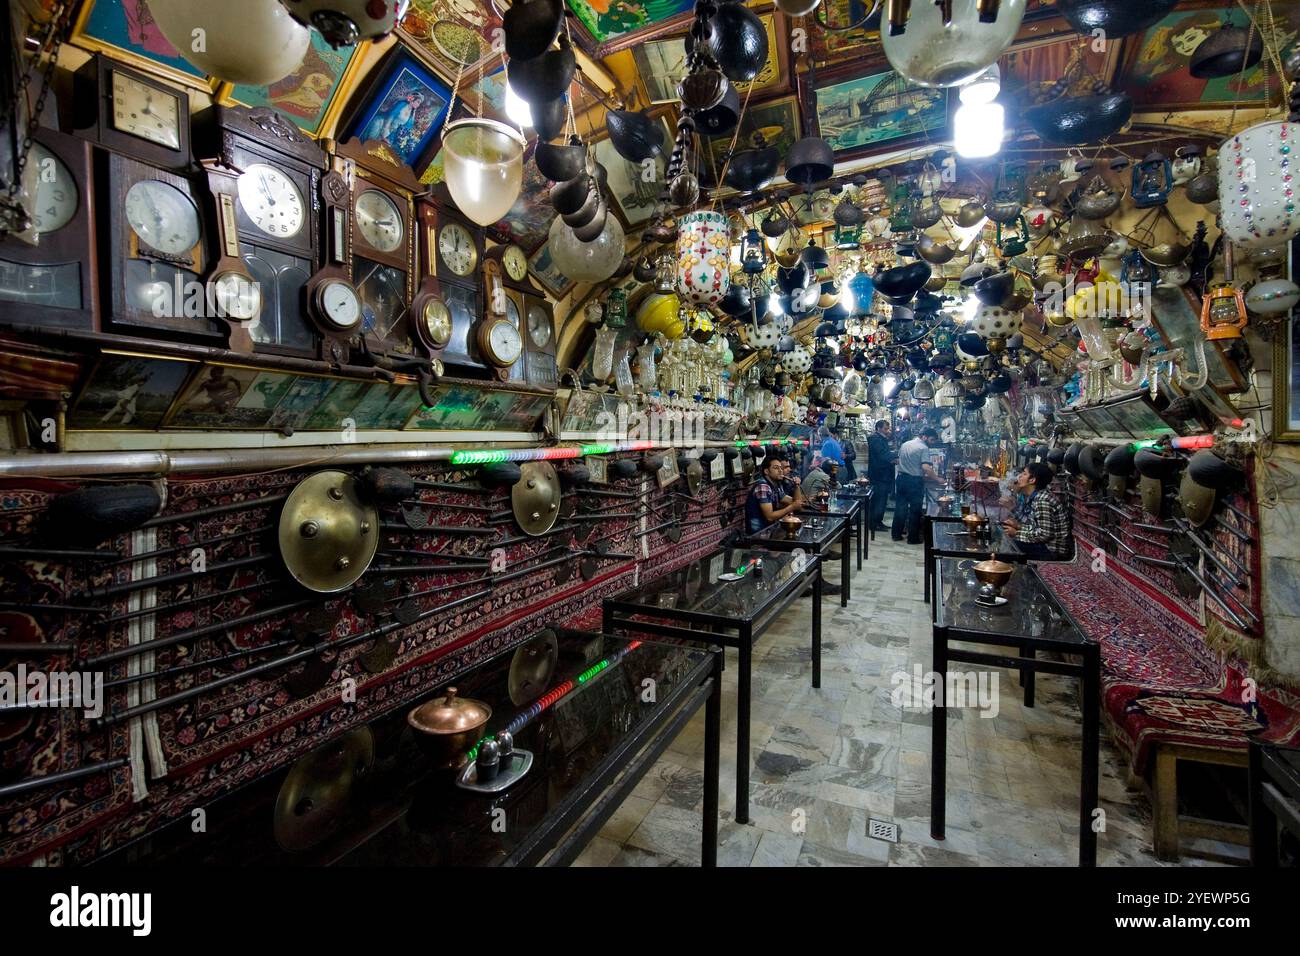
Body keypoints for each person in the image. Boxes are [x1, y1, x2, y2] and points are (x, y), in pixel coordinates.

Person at [1001, 462, 1072, 559]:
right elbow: (1035, 527)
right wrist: (1018, 526)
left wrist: (1017, 533)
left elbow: (1044, 534)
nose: (1019, 476)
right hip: (1045, 546)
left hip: (1051, 551)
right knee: (1008, 540)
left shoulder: (1042, 500)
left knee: (1010, 546)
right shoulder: (1036, 497)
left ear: (1032, 480)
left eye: (1024, 474)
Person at [892, 426, 939, 544]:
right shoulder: (923, 447)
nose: (932, 443)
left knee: (900, 508)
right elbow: (926, 467)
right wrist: (938, 479)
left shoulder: (905, 444)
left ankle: (896, 534)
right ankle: (913, 538)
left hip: (901, 479)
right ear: (924, 436)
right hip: (914, 482)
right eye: (932, 440)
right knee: (915, 510)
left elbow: (899, 460)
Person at [746, 454, 803, 534]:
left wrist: (797, 486)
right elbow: (770, 517)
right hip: (758, 535)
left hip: (768, 531)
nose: (780, 470)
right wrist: (792, 507)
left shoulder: (775, 486)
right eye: (776, 468)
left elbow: (797, 502)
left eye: (780, 467)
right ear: (766, 471)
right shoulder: (763, 486)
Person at [866, 419, 895, 532]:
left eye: (888, 428)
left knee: (881, 500)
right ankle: (874, 523)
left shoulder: (880, 439)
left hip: (882, 474)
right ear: (878, 428)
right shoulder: (876, 439)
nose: (887, 431)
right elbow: (882, 455)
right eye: (885, 428)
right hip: (879, 475)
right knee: (879, 500)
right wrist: (894, 457)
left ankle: (878, 522)